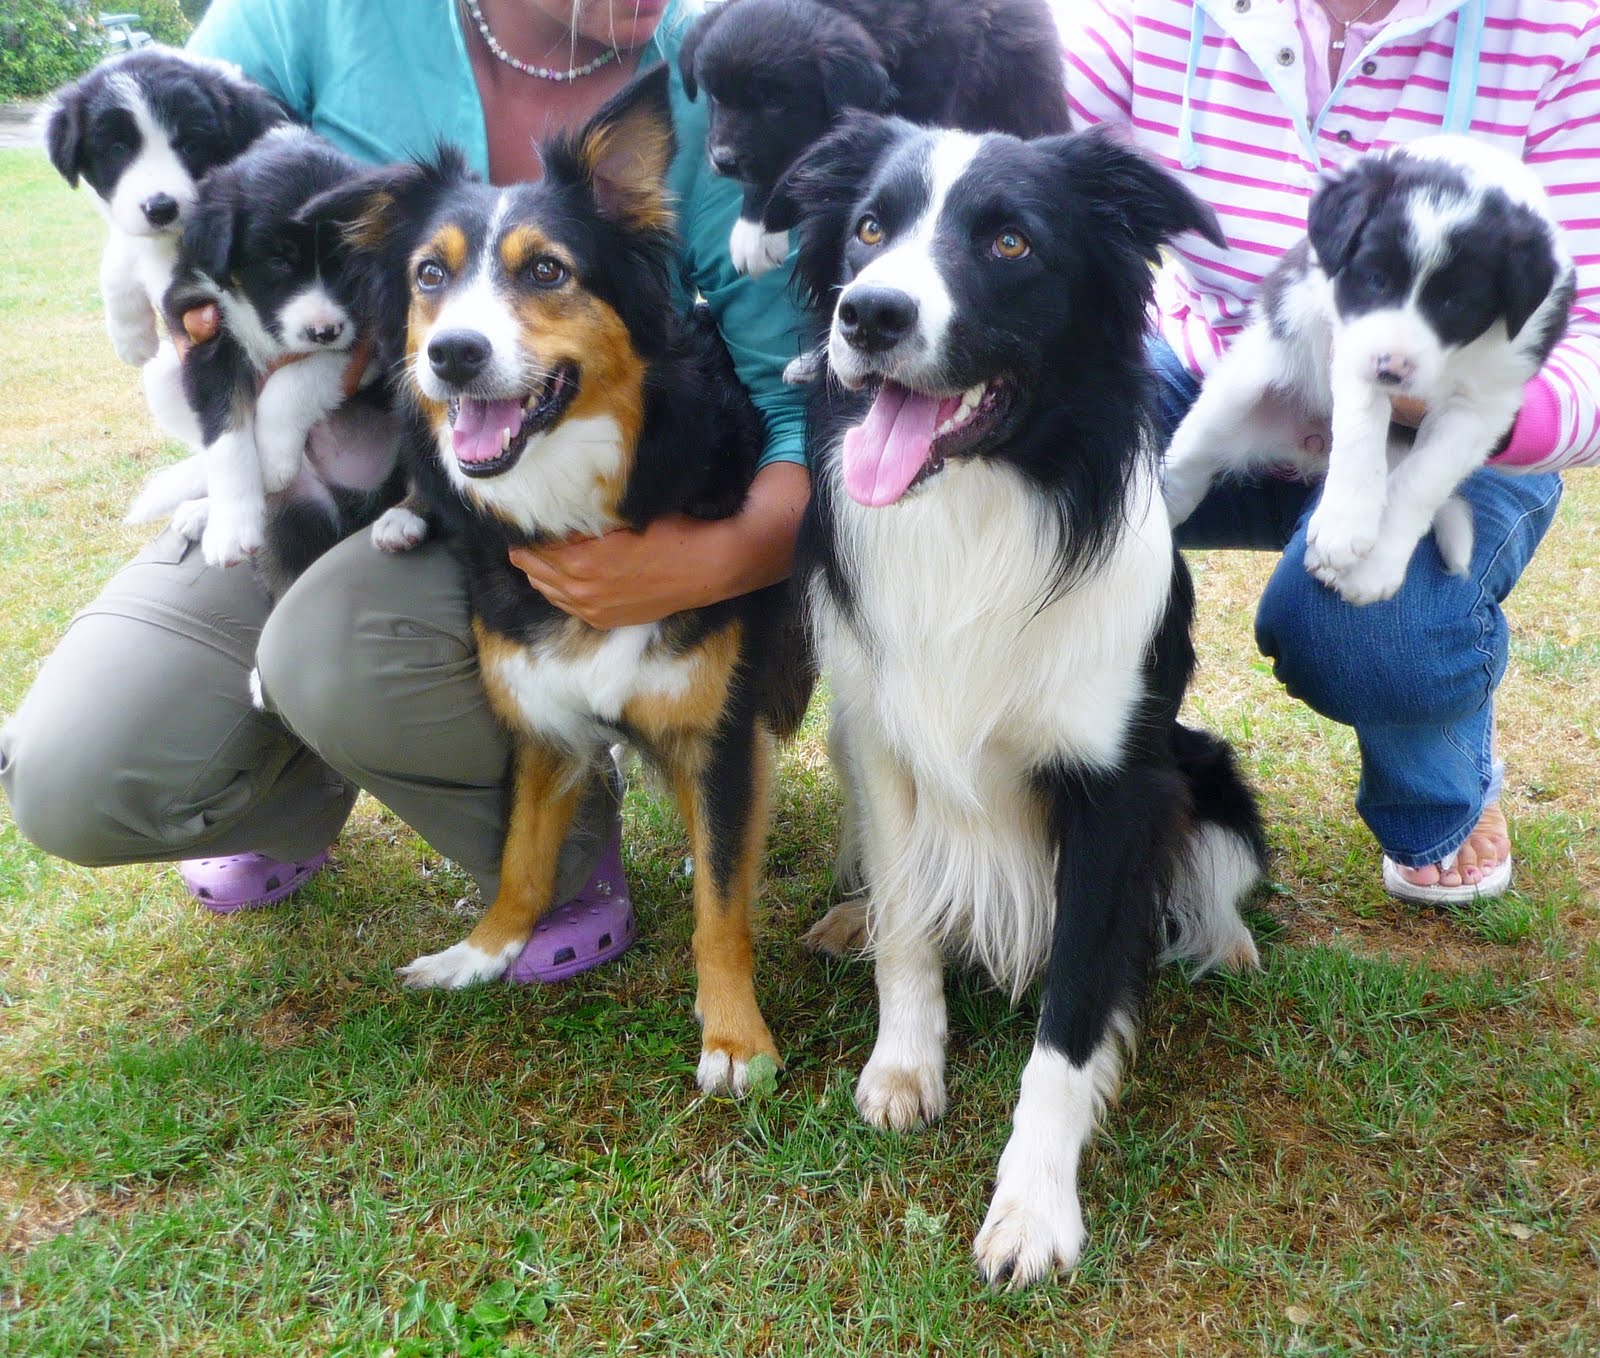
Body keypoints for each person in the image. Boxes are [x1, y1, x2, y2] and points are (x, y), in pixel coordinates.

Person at [0, 0, 811, 981]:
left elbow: (793, 384)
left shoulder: (710, 73)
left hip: (553, 502)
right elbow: (169, 214)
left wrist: (713, 559)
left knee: (331, 651)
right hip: (303, 463)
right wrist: (213, 331)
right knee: (78, 774)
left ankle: (562, 841)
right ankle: (289, 790)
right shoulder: (311, 16)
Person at [1059, 0, 1599, 902]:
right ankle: (1086, 742)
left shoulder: (1562, 29)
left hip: (1459, 427)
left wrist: (1476, 420)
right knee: (1042, 483)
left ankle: (1440, 798)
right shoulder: (1150, 13)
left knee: (1369, 629)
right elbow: (1016, 164)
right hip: (1230, 367)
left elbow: (1587, 326)